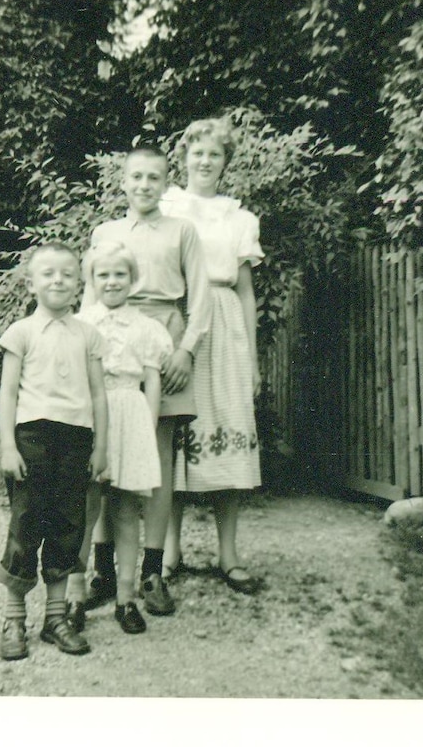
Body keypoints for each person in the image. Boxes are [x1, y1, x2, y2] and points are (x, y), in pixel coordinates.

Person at [81, 146, 211, 616]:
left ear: (165, 182)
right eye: (136, 177)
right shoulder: (106, 232)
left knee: (155, 460)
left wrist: (184, 350)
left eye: (154, 177)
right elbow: (89, 295)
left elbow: (202, 298)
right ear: (123, 182)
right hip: (110, 343)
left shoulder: (183, 231)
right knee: (104, 455)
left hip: (163, 341)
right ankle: (102, 571)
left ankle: (152, 572)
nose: (144, 185)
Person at [161, 117, 264, 594]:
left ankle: (228, 554)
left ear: (226, 163)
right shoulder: (166, 207)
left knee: (226, 431)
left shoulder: (239, 218)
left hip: (225, 331)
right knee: (177, 435)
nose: (205, 161)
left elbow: (245, 292)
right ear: (184, 158)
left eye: (215, 154)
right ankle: (168, 551)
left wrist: (253, 359)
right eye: (197, 152)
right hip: (180, 322)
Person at [0, 242, 108, 660]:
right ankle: (14, 619)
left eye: (67, 273)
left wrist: (102, 448)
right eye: (48, 273)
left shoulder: (88, 334)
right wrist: (8, 445)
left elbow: (99, 395)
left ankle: (55, 619)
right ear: (30, 283)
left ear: (80, 283)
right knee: (26, 526)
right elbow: (7, 395)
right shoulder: (21, 333)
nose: (58, 280)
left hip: (76, 440)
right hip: (32, 439)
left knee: (67, 526)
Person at [66, 241, 173, 634]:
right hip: (91, 417)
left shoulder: (147, 328)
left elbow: (153, 382)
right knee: (86, 508)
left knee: (127, 511)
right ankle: (76, 597)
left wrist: (148, 425)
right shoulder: (79, 324)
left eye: (120, 274)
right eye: (103, 275)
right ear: (90, 280)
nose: (112, 282)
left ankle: (126, 598)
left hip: (130, 415)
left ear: (133, 279)